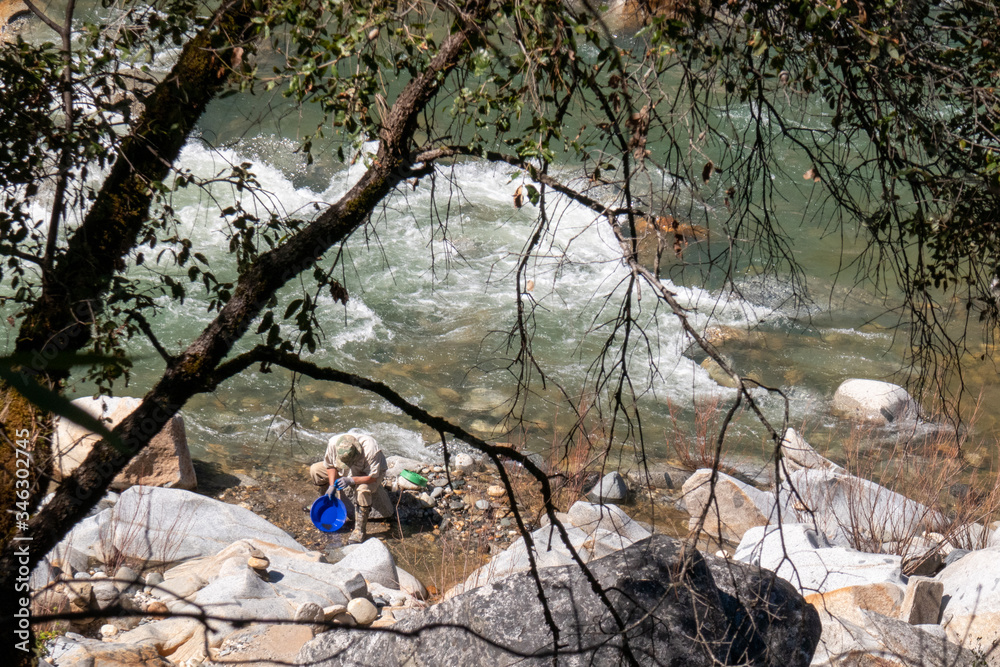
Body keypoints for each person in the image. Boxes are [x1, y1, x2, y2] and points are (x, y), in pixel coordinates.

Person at [309, 432, 390, 543]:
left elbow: (372, 477)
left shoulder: (370, 449)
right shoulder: (334, 443)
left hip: (366, 474)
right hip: (345, 472)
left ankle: (359, 530)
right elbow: (330, 465)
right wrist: (332, 485)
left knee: (362, 490)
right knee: (315, 470)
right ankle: (324, 502)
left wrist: (351, 480)